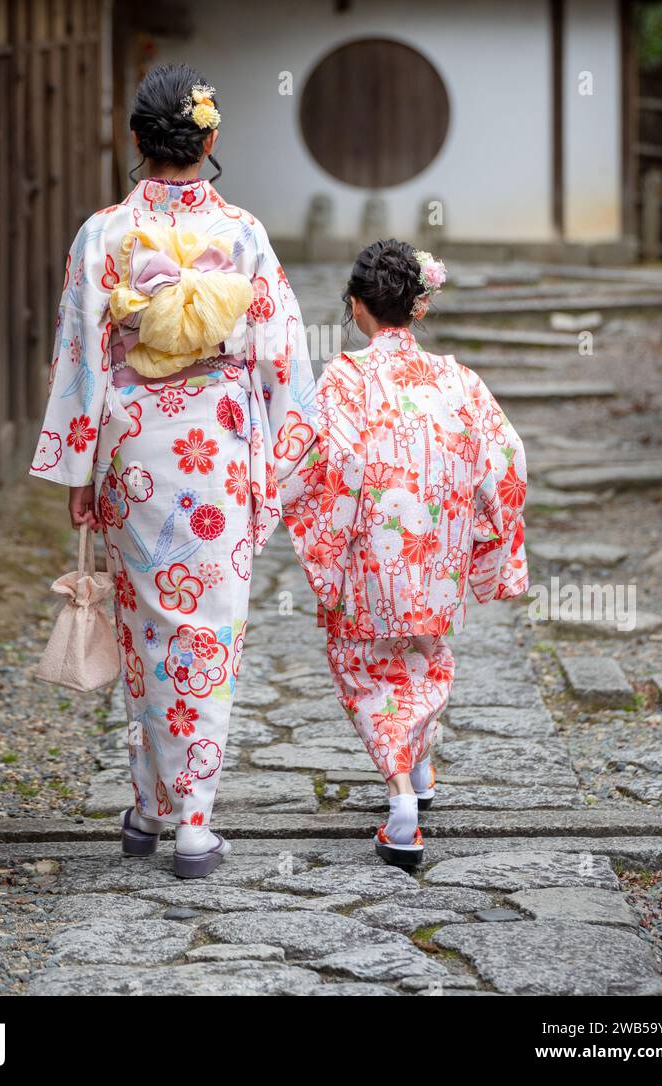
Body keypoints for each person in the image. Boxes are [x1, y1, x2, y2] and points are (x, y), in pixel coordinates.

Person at [31, 63, 316, 878]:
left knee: (146, 623)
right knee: (206, 631)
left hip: (130, 452)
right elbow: (279, 353)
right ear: (211, 141)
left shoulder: (103, 235)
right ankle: (193, 821)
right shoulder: (244, 234)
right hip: (215, 446)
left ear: (136, 143)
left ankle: (151, 805)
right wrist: (281, 457)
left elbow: (81, 359)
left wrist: (80, 470)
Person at [283, 240, 528, 869]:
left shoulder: (345, 378)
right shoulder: (459, 379)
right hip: (437, 556)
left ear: (358, 308)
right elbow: (507, 461)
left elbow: (318, 467)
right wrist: (486, 536)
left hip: (370, 557)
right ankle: (420, 769)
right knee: (425, 652)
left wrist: (324, 543)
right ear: (418, 307)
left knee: (367, 668)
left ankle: (400, 809)